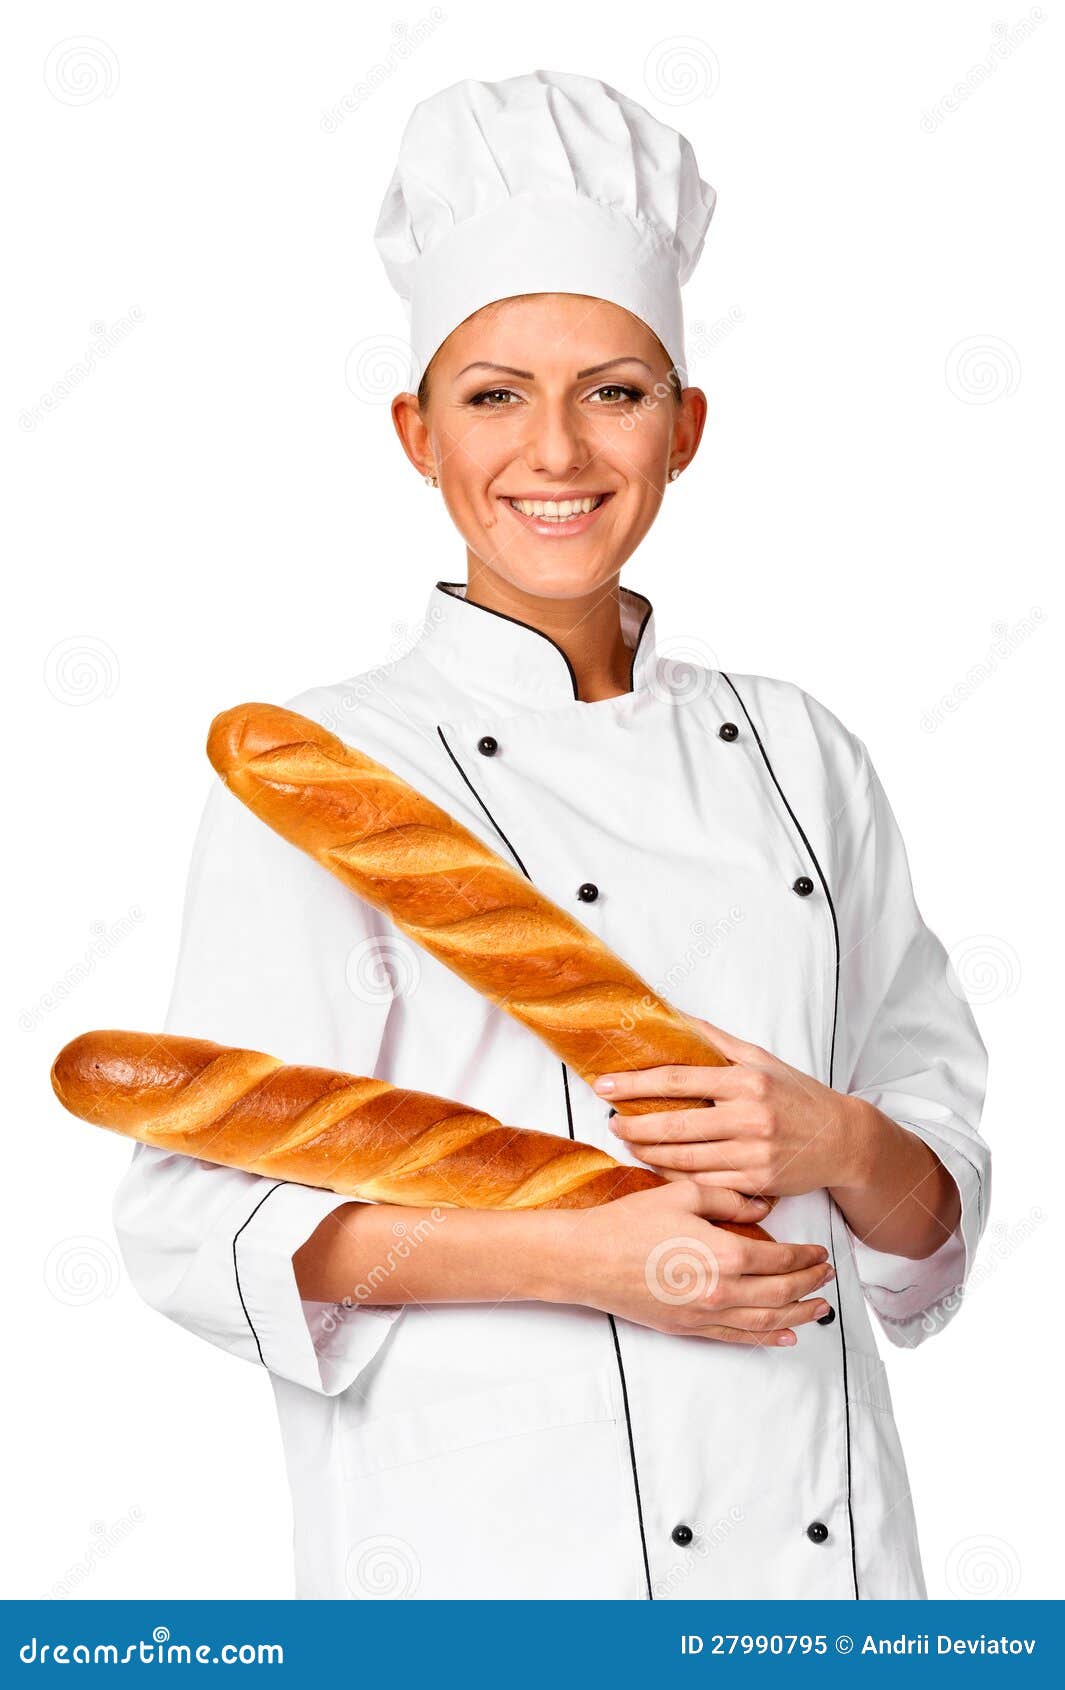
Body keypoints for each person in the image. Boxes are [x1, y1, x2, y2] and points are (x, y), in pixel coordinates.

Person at [113, 70, 989, 1601]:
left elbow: (930, 1214)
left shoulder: (803, 751)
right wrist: (583, 1254)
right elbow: (199, 1220)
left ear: (686, 423)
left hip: (824, 1577)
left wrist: (840, 1138)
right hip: (495, 1569)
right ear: (415, 432)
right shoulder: (326, 768)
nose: (559, 454)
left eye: (615, 389)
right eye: (493, 393)